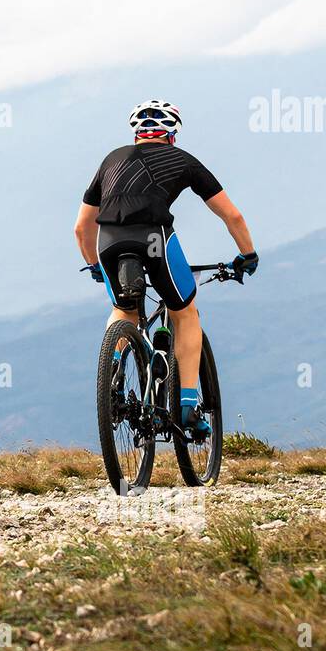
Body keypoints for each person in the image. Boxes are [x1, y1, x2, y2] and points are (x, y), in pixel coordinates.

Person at [73, 100, 257, 437]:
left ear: (136, 134)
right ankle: (188, 405)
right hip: (154, 240)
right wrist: (247, 255)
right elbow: (233, 216)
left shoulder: (111, 159)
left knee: (124, 309)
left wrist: (94, 265)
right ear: (172, 134)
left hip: (107, 241)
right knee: (185, 312)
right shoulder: (183, 160)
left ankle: (111, 378)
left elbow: (81, 227)